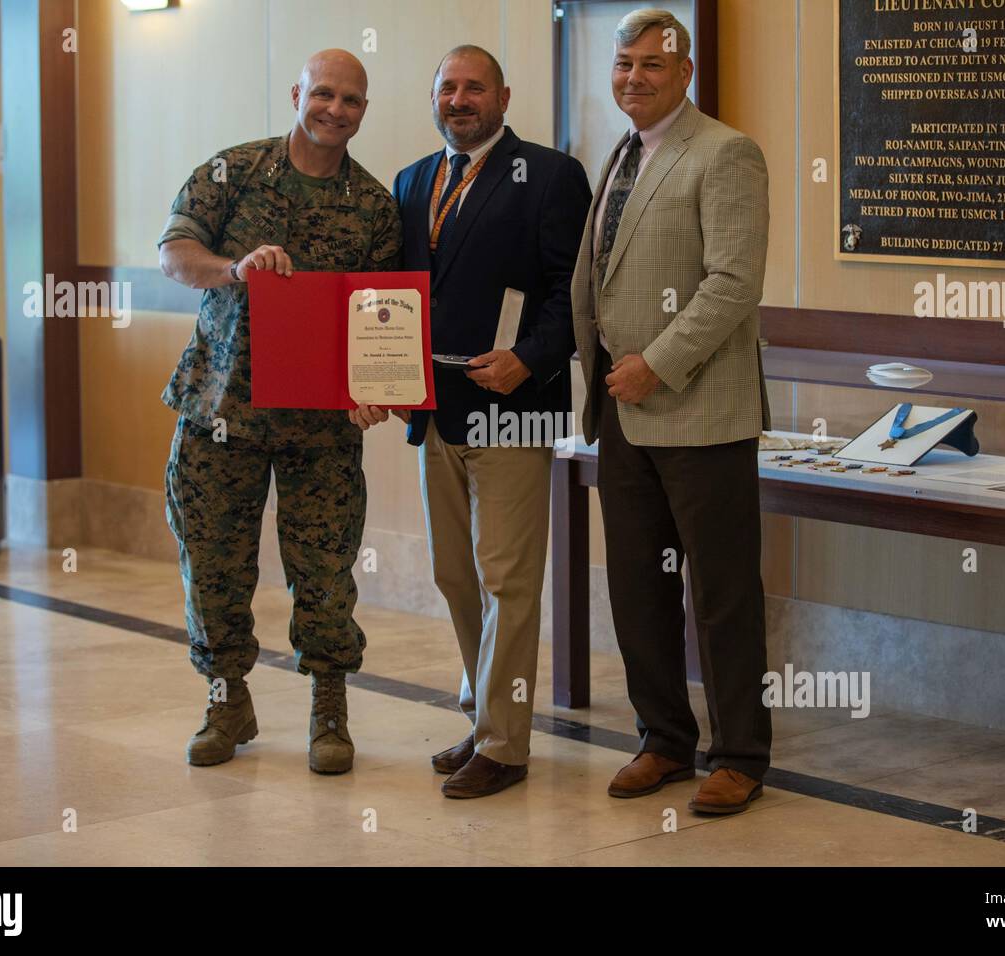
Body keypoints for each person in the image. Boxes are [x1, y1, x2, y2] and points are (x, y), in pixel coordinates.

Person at [352, 44, 589, 798]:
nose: (460, 99)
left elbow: (572, 293)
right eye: (447, 87)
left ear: (504, 96)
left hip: (513, 408)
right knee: (457, 575)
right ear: (433, 99)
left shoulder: (551, 175)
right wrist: (376, 378)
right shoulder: (414, 180)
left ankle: (504, 744)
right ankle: (482, 713)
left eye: (474, 87)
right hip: (438, 412)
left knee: (508, 579)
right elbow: (392, 297)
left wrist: (528, 359)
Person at [158, 49, 400, 773]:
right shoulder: (234, 172)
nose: (335, 109)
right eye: (323, 93)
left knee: (325, 573)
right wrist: (233, 270)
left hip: (321, 430)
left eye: (351, 100)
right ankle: (227, 700)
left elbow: (381, 316)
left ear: (363, 110)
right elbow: (173, 253)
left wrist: (374, 390)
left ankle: (329, 708)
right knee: (212, 565)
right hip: (219, 409)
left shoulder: (376, 206)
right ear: (298, 93)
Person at [570, 9, 773, 814]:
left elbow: (733, 283)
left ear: (685, 73)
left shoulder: (725, 153)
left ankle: (741, 755)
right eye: (624, 64)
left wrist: (656, 365)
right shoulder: (619, 153)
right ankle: (663, 740)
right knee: (637, 588)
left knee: (721, 594)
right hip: (621, 415)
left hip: (699, 413)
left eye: (653, 65)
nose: (634, 78)